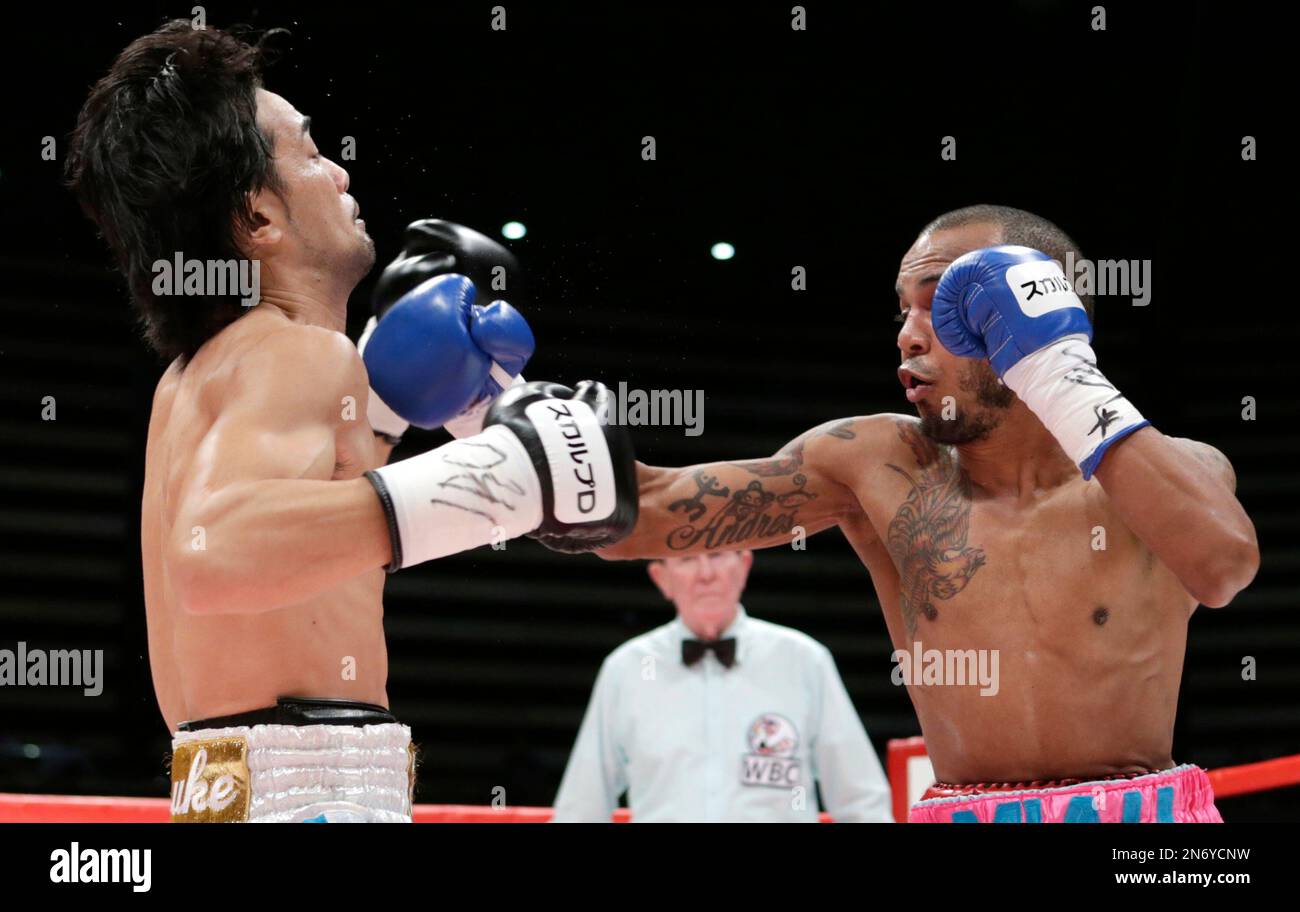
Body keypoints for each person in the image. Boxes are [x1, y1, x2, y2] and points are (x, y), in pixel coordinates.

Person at [64, 20, 636, 822]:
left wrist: (387, 409)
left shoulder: (196, 378)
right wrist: (508, 480)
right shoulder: (296, 355)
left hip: (236, 784)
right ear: (258, 218)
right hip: (312, 792)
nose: (337, 172)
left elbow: (294, 541)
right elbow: (218, 551)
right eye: (309, 151)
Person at [599, 204, 1259, 823]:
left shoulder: (1158, 471)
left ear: (1036, 303)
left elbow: (1223, 567)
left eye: (943, 303)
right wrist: (512, 433)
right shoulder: (879, 464)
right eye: (902, 313)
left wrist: (1058, 370)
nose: (910, 338)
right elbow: (646, 516)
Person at [552, 551, 892, 822]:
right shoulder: (625, 670)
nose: (705, 574)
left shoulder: (804, 660)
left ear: (744, 565)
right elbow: (582, 809)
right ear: (661, 578)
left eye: (717, 555)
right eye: (687, 559)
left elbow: (861, 802)